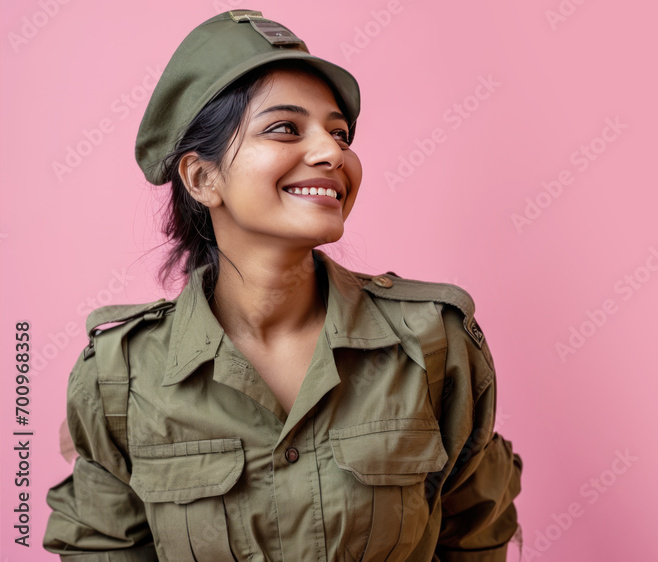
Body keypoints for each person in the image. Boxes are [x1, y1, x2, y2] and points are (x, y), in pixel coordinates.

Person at [42, 10, 522, 561]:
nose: (331, 152)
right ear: (203, 178)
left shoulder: (434, 343)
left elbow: (474, 536)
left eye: (339, 133)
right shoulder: (121, 373)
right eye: (285, 128)